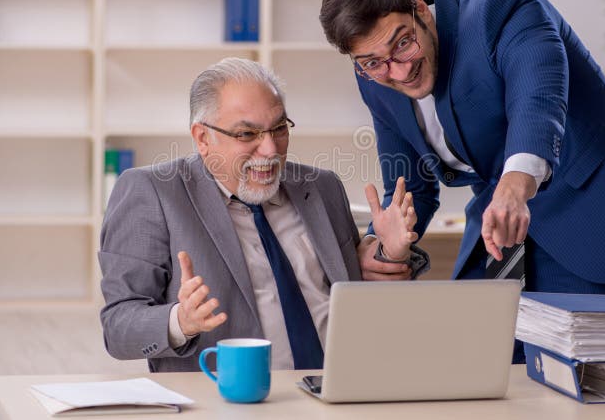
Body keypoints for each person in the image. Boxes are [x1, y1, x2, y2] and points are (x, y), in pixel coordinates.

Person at [319, 0, 605, 324]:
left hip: (587, 212)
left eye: (404, 43)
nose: (399, 70)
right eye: (374, 62)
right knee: (483, 353)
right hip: (498, 227)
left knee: (583, 367)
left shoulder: (505, 14)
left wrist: (515, 186)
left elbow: (537, 104)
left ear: (420, 7)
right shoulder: (374, 77)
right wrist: (381, 243)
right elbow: (410, 188)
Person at [99, 57, 419, 372]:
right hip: (230, 401)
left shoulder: (323, 188)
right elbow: (118, 327)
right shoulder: (152, 192)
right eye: (247, 134)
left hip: (339, 387)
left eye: (278, 128)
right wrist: (179, 321)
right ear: (202, 138)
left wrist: (389, 255)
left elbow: (358, 295)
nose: (270, 149)